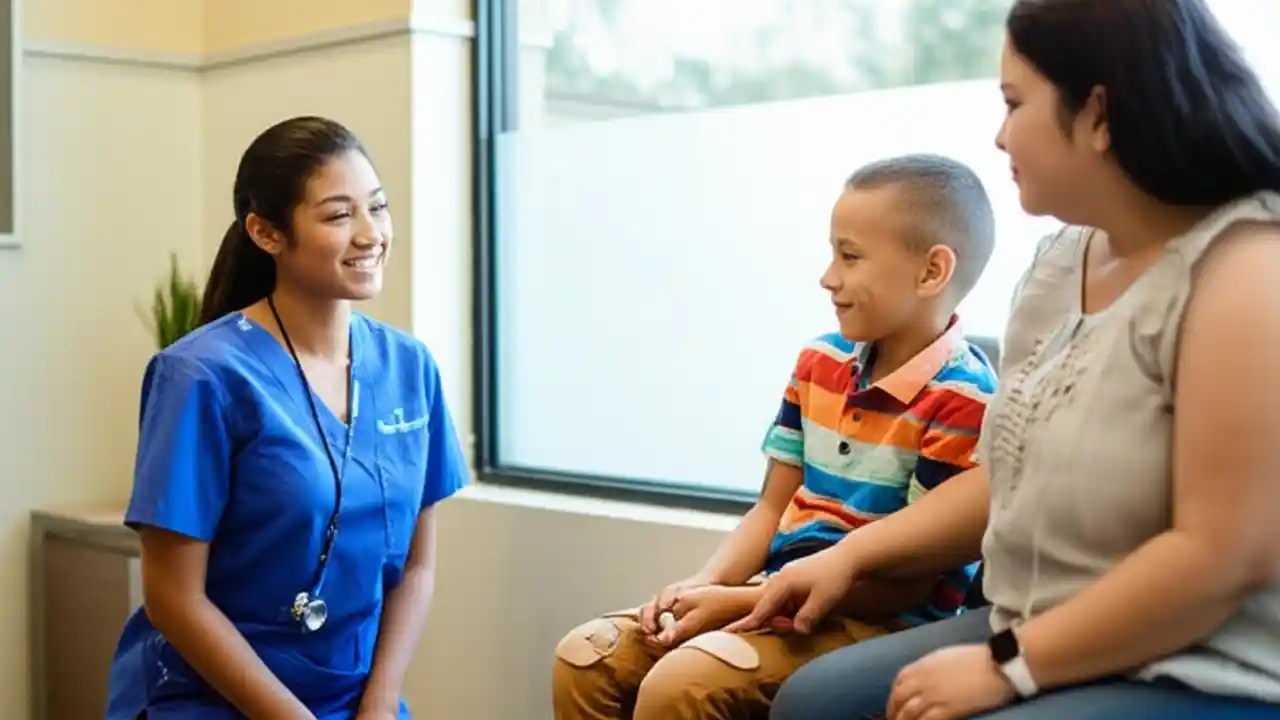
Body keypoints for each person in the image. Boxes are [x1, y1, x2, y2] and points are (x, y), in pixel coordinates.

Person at [730, 1, 1280, 718]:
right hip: (1027, 622)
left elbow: (1222, 557)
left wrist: (1009, 667)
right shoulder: (1058, 267)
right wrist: (844, 559)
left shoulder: (1246, 272)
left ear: (1098, 114)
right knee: (814, 703)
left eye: (1015, 104)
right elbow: (1002, 483)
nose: (998, 135)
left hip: (1198, 664)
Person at [551, 154, 1000, 719]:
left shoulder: (965, 397)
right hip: (772, 592)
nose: (828, 277)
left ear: (932, 271)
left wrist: (734, 604)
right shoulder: (819, 362)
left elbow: (905, 585)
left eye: (850, 256)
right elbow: (773, 505)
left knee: (683, 685)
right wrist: (702, 584)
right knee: (586, 660)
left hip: (876, 622)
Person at [103, 116, 469, 719]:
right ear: (266, 233)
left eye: (377, 208)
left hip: (356, 700)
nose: (370, 233)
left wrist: (379, 704)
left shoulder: (410, 367)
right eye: (337, 215)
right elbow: (173, 596)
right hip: (212, 699)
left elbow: (417, 565)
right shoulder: (201, 375)